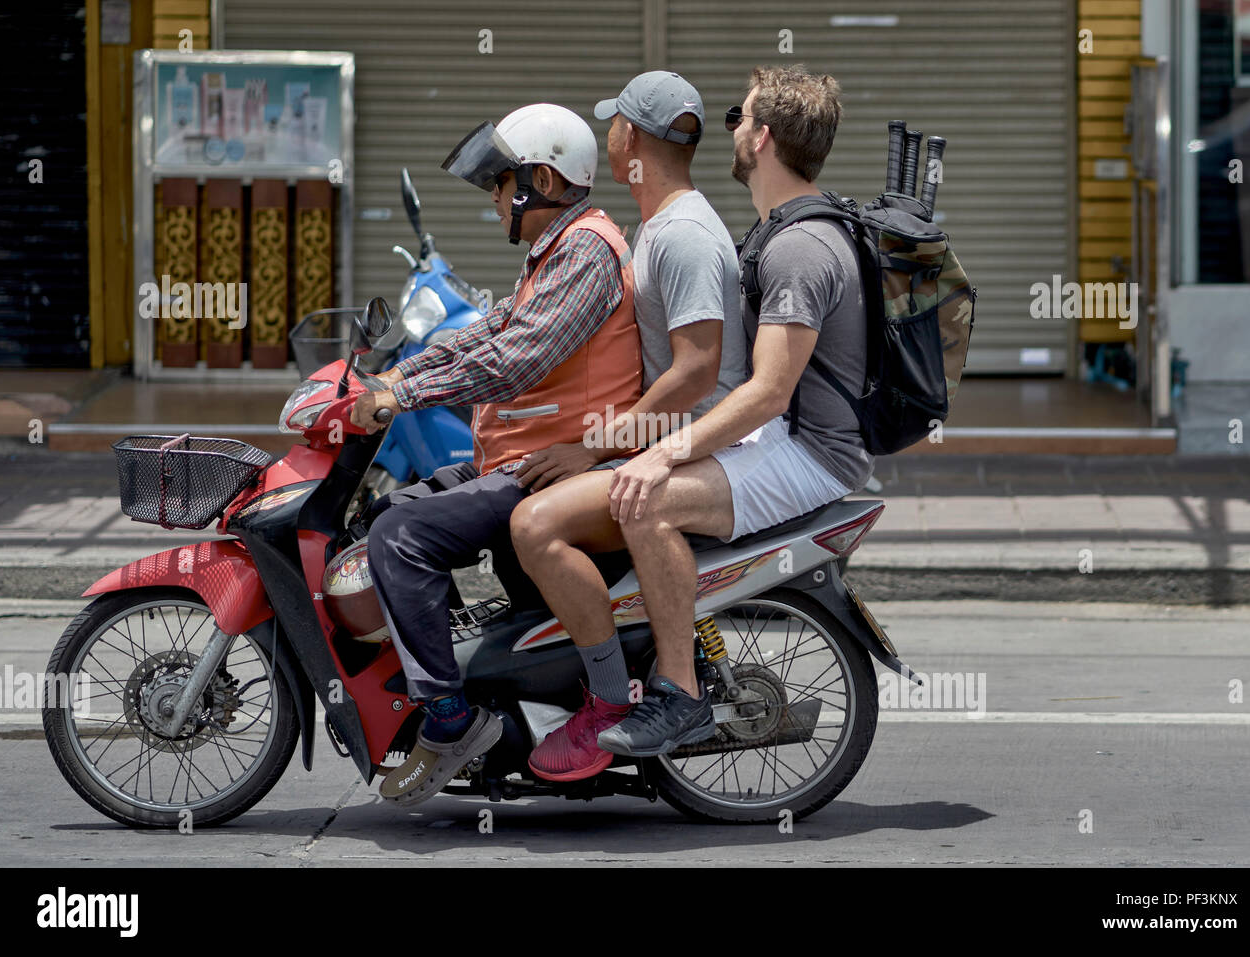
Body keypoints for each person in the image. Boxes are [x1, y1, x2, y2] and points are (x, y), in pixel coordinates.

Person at [348, 103, 643, 803]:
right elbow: (487, 332)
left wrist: (406, 390)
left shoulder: (585, 253)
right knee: (386, 514)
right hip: (520, 458)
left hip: (547, 468)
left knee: (399, 536)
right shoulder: (555, 253)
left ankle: (451, 722)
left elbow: (516, 358)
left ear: (541, 179)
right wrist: (387, 375)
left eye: (501, 182)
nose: (494, 197)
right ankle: (471, 675)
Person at [592, 65, 876, 757]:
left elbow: (769, 392)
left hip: (809, 450)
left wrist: (663, 449)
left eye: (738, 118)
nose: (730, 130)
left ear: (765, 138)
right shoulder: (783, 228)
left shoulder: (801, 249)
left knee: (648, 501)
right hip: (785, 433)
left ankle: (680, 693)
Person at [508, 72, 747, 782]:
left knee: (534, 525)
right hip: (660, 442)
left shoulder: (684, 236)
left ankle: (609, 701)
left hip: (692, 453)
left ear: (632, 139)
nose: (606, 136)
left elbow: (696, 371)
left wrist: (590, 446)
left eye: (613, 125)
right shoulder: (659, 226)